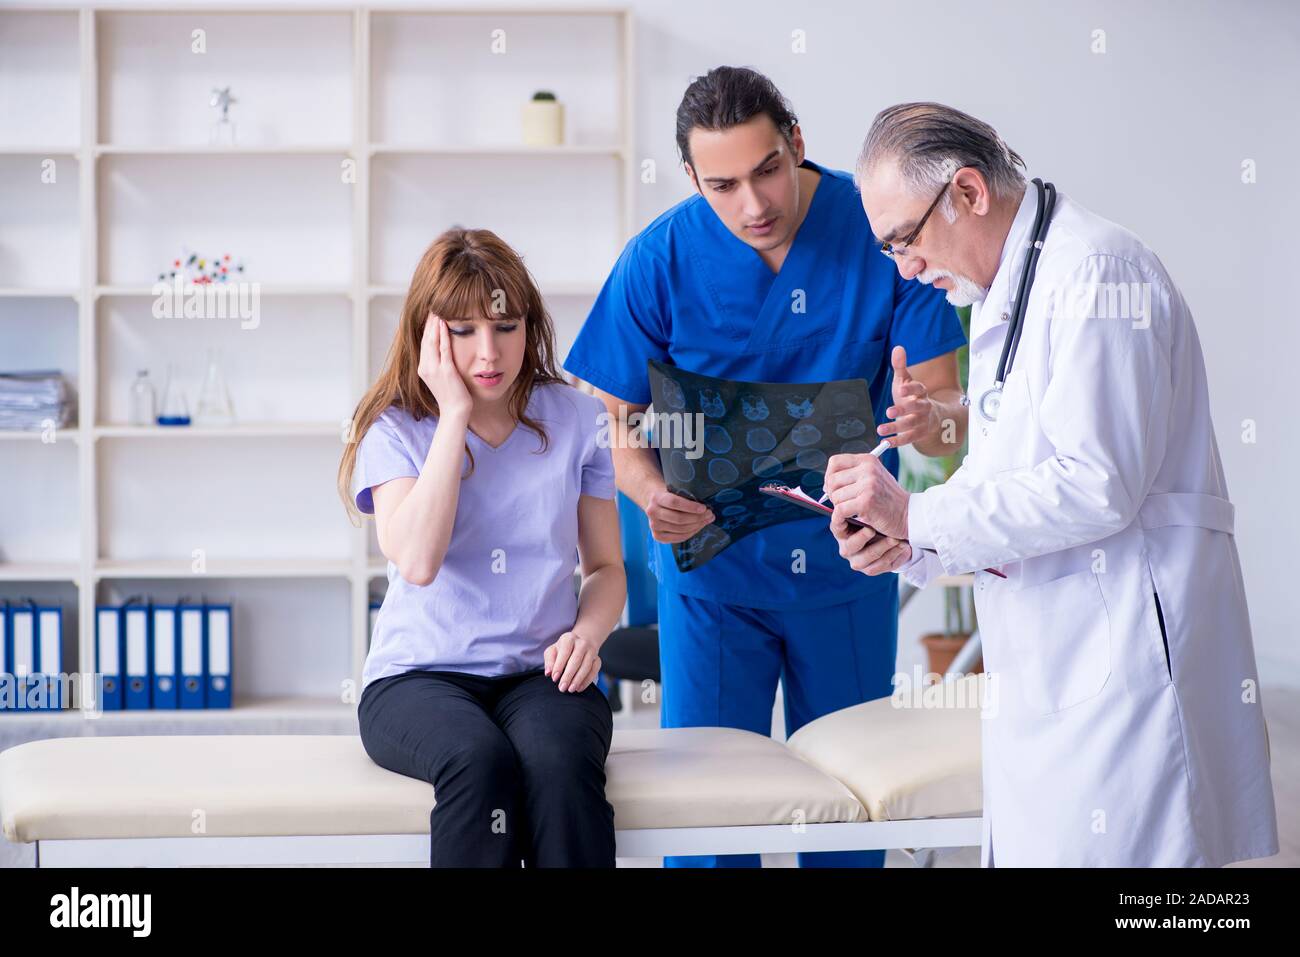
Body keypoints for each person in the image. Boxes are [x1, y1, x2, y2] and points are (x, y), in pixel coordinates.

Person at [827, 102, 1279, 867]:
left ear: (967, 191)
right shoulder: (1009, 293)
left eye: (904, 239)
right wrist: (909, 543)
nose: (904, 267)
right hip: (1050, 656)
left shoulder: (1098, 273)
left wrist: (917, 513)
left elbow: (1097, 483)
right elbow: (1002, 482)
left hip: (1122, 657)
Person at [563, 66, 967, 868]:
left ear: (797, 145)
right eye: (723, 184)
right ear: (690, 178)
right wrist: (647, 492)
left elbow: (950, 420)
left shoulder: (881, 229)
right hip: (713, 579)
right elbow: (616, 421)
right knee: (712, 815)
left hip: (846, 570)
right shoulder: (661, 258)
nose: (753, 204)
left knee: (855, 811)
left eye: (768, 169)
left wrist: (931, 419)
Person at [338, 227, 627, 867]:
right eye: (463, 332)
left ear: (530, 325)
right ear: (429, 336)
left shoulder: (578, 421)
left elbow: (606, 568)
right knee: (478, 759)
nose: (489, 352)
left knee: (558, 764)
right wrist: (453, 416)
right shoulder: (394, 429)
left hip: (540, 674)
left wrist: (588, 634)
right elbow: (416, 561)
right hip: (417, 680)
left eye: (506, 326)